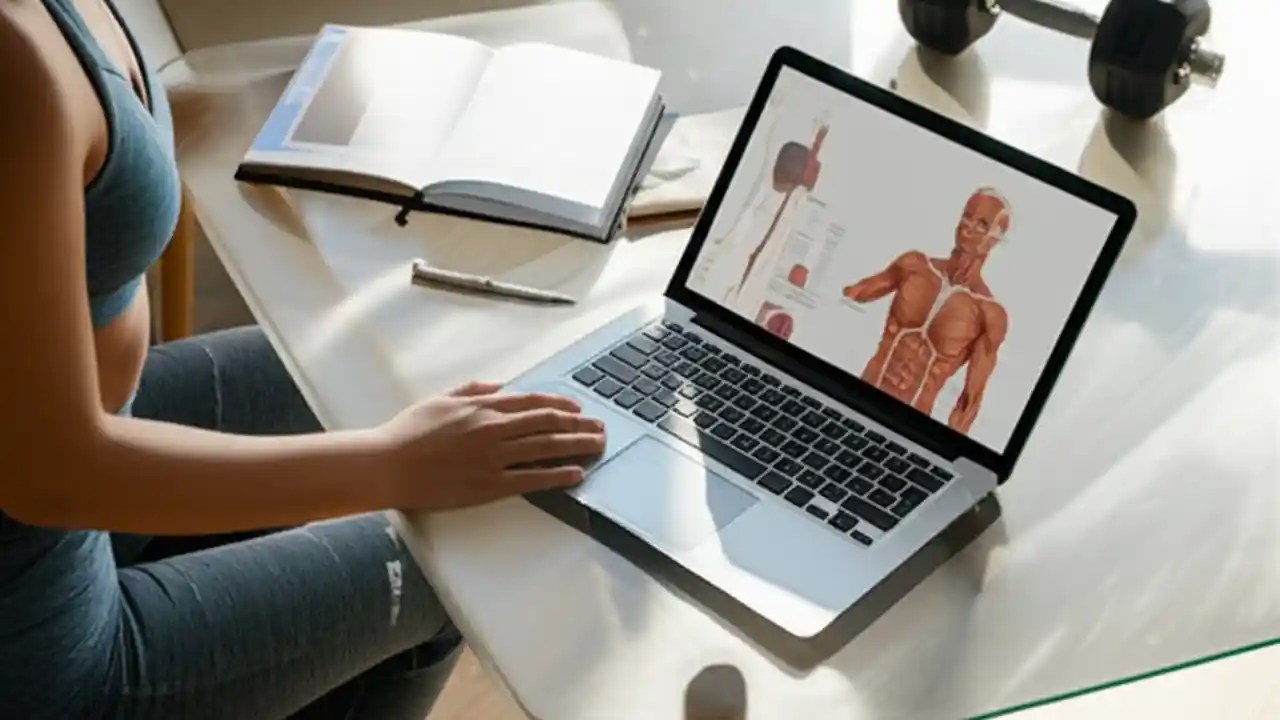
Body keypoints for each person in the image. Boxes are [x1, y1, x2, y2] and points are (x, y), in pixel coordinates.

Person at [0, 1, 605, 718]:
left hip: (77, 443)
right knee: (452, 560)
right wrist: (393, 463)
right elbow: (50, 479)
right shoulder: (12, 62)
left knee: (356, 363)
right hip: (41, 628)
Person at [841, 188, 1010, 433]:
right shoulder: (914, 266)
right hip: (856, 404)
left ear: (996, 236)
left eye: (982, 224)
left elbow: (970, 399)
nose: (968, 227)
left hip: (908, 430)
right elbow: (854, 293)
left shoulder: (989, 314)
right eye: (966, 217)